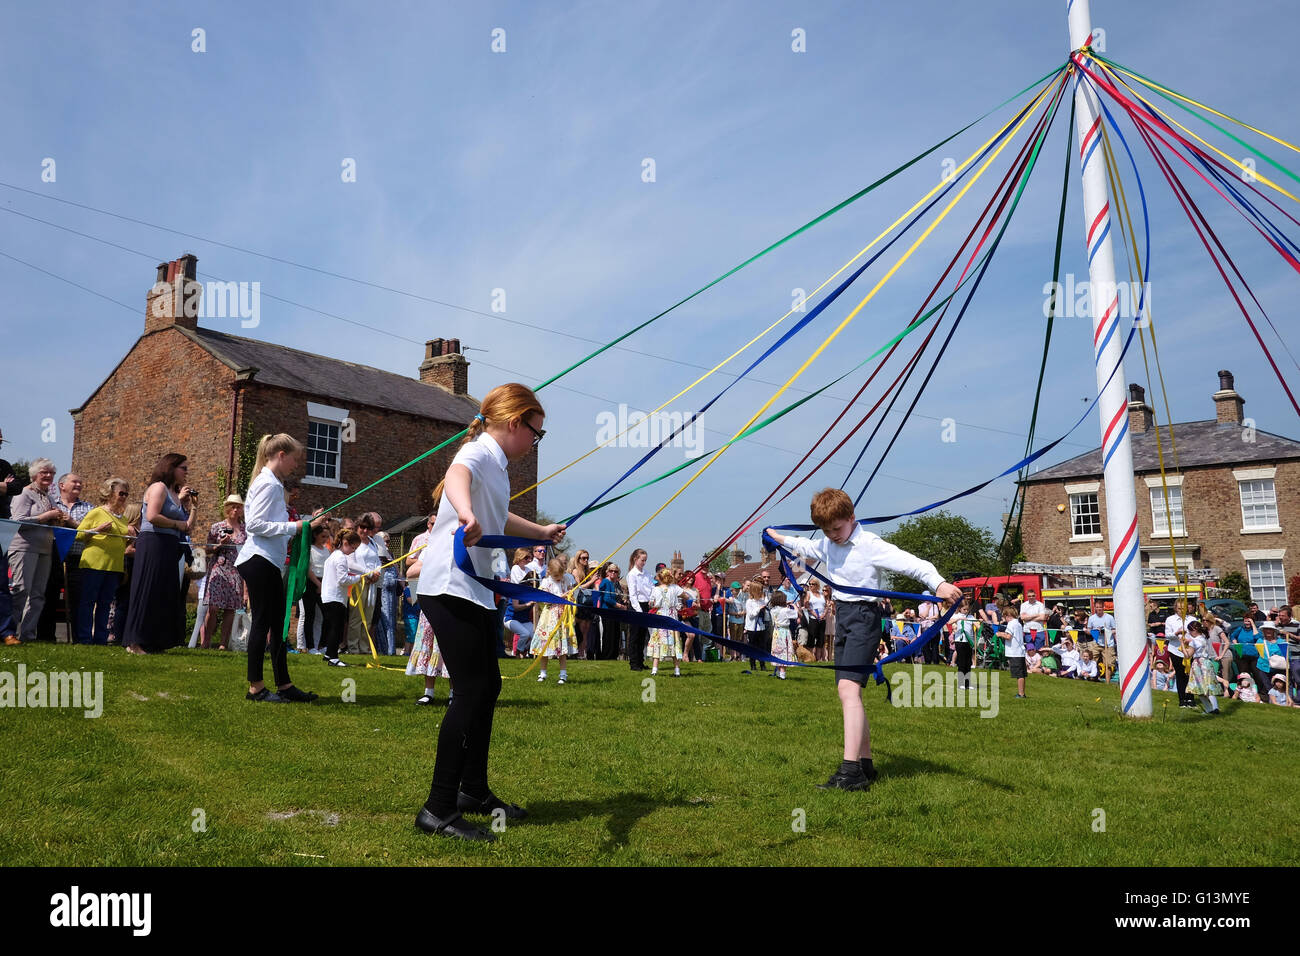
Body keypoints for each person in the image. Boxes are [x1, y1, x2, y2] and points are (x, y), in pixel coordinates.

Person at [413, 382, 564, 842]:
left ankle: (472, 792)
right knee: (472, 689)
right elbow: (458, 476)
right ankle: (437, 809)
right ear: (516, 423)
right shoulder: (478, 452)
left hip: (473, 589)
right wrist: (464, 514)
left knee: (488, 685)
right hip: (448, 584)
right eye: (536, 434)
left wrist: (540, 532)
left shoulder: (497, 467)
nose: (535, 443)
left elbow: (498, 518)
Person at [766, 488, 961, 792]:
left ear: (852, 518)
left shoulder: (870, 544)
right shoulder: (828, 544)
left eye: (837, 528)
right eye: (827, 531)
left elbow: (911, 562)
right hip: (843, 616)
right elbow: (805, 545)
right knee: (849, 693)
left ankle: (850, 773)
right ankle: (865, 765)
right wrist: (777, 537)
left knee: (847, 690)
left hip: (864, 619)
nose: (833, 536)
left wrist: (939, 583)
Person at [235, 435, 326, 701]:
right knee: (263, 623)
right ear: (281, 455)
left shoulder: (273, 483)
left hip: (268, 561)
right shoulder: (269, 484)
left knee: (277, 624)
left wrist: (308, 523)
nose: (296, 465)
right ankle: (256, 688)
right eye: (295, 459)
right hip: (259, 560)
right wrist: (296, 526)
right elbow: (255, 525)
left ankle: (284, 685)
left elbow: (271, 526)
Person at [121, 454, 196, 654]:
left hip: (170, 545)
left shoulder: (175, 494)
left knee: (164, 592)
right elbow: (152, 516)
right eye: (184, 468)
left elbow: (187, 526)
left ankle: (155, 640)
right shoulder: (158, 488)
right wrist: (176, 523)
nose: (186, 472)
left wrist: (192, 509)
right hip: (153, 542)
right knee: (148, 588)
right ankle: (135, 641)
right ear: (171, 468)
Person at [8, 458, 71, 644]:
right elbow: (18, 521)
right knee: (21, 589)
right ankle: (8, 632)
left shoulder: (48, 496)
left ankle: (28, 635)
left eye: (51, 473)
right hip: (24, 547)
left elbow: (49, 518)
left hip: (45, 548)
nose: (48, 476)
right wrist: (46, 516)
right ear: (34, 474)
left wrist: (58, 518)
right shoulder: (24, 493)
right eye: (44, 472)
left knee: (38, 594)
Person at [73, 477, 132, 645]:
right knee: (88, 601)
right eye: (121, 493)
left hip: (114, 565)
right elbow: (78, 535)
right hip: (94, 564)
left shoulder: (122, 518)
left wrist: (129, 539)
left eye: (126, 494)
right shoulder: (96, 512)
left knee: (105, 603)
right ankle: (84, 638)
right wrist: (97, 530)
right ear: (109, 493)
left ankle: (100, 638)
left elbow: (121, 542)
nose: (123, 497)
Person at [404, 534, 449, 703]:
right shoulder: (431, 551)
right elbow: (411, 571)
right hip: (432, 604)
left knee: (450, 648)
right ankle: (428, 692)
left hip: (453, 605)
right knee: (429, 647)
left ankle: (454, 693)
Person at [321, 530, 376, 667]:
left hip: (329, 596)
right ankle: (334, 657)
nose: (353, 551)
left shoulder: (333, 556)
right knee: (336, 627)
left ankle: (329, 653)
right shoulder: (340, 558)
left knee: (333, 626)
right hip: (335, 597)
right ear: (345, 543)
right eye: (353, 548)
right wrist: (359, 578)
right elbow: (343, 580)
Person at [200, 494, 246, 650]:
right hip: (218, 568)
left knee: (230, 608)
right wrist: (219, 544)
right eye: (232, 506)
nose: (235, 509)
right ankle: (205, 642)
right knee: (213, 607)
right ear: (227, 508)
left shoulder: (245, 529)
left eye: (238, 506)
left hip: (236, 570)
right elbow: (206, 549)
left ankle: (223, 644)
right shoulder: (217, 527)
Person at [52, 473, 92, 641]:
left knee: (78, 599)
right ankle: (45, 635)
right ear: (62, 485)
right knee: (50, 596)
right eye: (74, 482)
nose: (78, 485)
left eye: (80, 482)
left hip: (77, 557)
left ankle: (78, 637)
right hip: (54, 555)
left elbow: (91, 531)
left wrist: (71, 522)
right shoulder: (51, 503)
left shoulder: (89, 508)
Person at [532, 556, 579, 683]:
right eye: (556, 575)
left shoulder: (567, 579)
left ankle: (563, 674)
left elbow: (573, 591)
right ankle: (543, 673)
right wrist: (559, 597)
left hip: (563, 617)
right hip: (549, 618)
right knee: (545, 646)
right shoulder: (546, 582)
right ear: (550, 573)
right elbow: (544, 598)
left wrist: (570, 595)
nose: (559, 578)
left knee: (562, 647)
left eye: (560, 574)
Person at [646, 567, 683, 677]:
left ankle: (654, 669)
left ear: (660, 578)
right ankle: (677, 670)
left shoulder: (655, 589)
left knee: (658, 642)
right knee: (675, 642)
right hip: (672, 617)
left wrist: (653, 603)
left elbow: (651, 604)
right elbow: (678, 604)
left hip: (660, 617)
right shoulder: (673, 588)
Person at [1182, 620, 1220, 715]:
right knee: (1209, 686)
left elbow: (1188, 655)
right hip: (1207, 663)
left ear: (1194, 630)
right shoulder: (1205, 638)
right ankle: (1215, 707)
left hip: (1198, 664)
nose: (1189, 633)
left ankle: (1208, 709)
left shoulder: (1194, 642)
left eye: (1190, 631)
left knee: (1199, 688)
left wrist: (1182, 645)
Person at [1164, 600, 1196, 708]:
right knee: (1180, 675)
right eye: (1179, 609)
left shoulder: (1192, 619)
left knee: (1190, 675)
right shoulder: (1170, 620)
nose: (1181, 611)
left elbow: (1196, 633)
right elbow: (1167, 635)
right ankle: (1182, 699)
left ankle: (1190, 699)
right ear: (1175, 608)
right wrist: (1176, 634)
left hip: (1189, 650)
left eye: (1183, 608)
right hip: (1175, 650)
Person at [303, 523, 329, 653]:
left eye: (327, 537)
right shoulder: (310, 549)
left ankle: (323, 644)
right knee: (310, 615)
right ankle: (310, 646)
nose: (325, 539)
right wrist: (318, 584)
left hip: (324, 582)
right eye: (323, 536)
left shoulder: (326, 551)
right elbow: (308, 569)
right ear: (315, 535)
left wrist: (324, 584)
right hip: (312, 583)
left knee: (327, 615)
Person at [505, 547, 536, 657]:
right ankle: (518, 651)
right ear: (519, 557)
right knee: (525, 634)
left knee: (535, 635)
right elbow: (519, 582)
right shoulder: (515, 568)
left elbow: (533, 582)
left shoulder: (528, 570)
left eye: (530, 558)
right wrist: (528, 604)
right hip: (511, 619)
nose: (529, 560)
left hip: (523, 620)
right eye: (526, 557)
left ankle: (524, 650)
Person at [625, 548, 652, 671]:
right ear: (635, 559)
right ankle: (634, 663)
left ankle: (641, 662)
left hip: (646, 605)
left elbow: (651, 588)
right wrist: (639, 611)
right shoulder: (632, 575)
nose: (644, 562)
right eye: (642, 560)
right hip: (636, 607)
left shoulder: (647, 574)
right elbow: (633, 595)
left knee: (642, 636)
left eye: (645, 560)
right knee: (634, 636)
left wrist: (652, 600)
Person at [742, 580, 769, 675]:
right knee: (752, 646)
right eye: (759, 590)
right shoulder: (749, 602)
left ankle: (763, 664)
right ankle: (752, 664)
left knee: (762, 646)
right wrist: (759, 609)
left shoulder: (762, 601)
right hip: (752, 628)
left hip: (761, 627)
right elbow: (751, 615)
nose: (761, 592)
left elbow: (767, 602)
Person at [769, 589, 797, 680]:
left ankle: (778, 672)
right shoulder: (786, 610)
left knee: (778, 651)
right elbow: (795, 615)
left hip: (776, 632)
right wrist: (794, 606)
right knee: (784, 651)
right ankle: (782, 674)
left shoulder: (772, 610)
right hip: (784, 632)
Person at [1001, 601, 1027, 698]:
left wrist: (1000, 634)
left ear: (1008, 615)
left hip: (1015, 652)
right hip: (1020, 652)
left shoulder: (1011, 624)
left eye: (1004, 617)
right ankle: (1022, 692)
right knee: (1022, 674)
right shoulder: (1018, 623)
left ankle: (1021, 693)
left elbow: (1008, 636)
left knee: (1019, 674)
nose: (1004, 619)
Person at [949, 599, 975, 690]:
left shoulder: (971, 616)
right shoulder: (957, 615)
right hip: (960, 641)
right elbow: (949, 622)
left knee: (968, 663)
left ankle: (967, 683)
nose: (966, 611)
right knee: (962, 662)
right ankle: (961, 683)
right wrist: (960, 618)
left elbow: (977, 625)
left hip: (969, 641)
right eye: (964, 609)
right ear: (960, 609)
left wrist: (980, 621)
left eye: (967, 609)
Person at [725, 581, 745, 661]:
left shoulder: (741, 598)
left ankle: (738, 655)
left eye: (738, 590)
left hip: (741, 621)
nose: (737, 591)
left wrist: (741, 613)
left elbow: (745, 609)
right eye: (735, 590)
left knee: (739, 639)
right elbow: (728, 611)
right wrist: (735, 613)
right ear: (731, 590)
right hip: (733, 620)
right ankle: (732, 655)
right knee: (733, 638)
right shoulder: (730, 599)